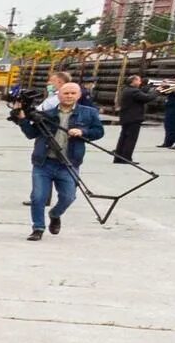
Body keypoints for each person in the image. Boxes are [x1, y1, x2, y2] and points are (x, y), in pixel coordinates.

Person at [16, 80, 103, 238]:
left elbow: (98, 132)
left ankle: (55, 215)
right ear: (59, 95)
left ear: (79, 95)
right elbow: (31, 134)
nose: (69, 96)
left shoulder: (89, 113)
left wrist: (82, 132)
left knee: (68, 197)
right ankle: (38, 228)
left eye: (73, 93)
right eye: (66, 93)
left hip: (69, 163)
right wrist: (22, 119)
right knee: (38, 197)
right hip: (44, 162)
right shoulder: (47, 114)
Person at [112, 73, 158, 165]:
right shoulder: (134, 92)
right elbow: (147, 98)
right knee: (131, 139)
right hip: (133, 118)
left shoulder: (127, 89)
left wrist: (149, 87)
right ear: (134, 81)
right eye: (139, 80)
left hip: (126, 118)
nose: (140, 82)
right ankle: (126, 158)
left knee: (123, 138)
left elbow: (141, 92)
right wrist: (157, 91)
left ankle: (118, 158)